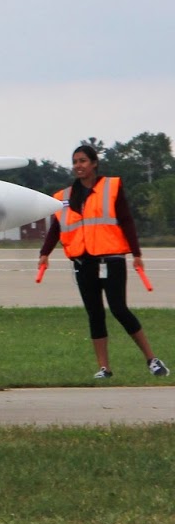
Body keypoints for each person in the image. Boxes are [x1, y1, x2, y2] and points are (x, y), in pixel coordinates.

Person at [38, 144, 168, 379]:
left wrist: (137, 254)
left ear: (94, 163)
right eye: (75, 161)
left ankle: (152, 359)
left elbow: (126, 220)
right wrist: (45, 253)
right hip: (83, 262)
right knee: (94, 313)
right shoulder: (65, 197)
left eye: (83, 161)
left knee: (119, 309)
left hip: (111, 259)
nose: (79, 165)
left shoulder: (111, 187)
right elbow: (57, 227)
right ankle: (104, 368)